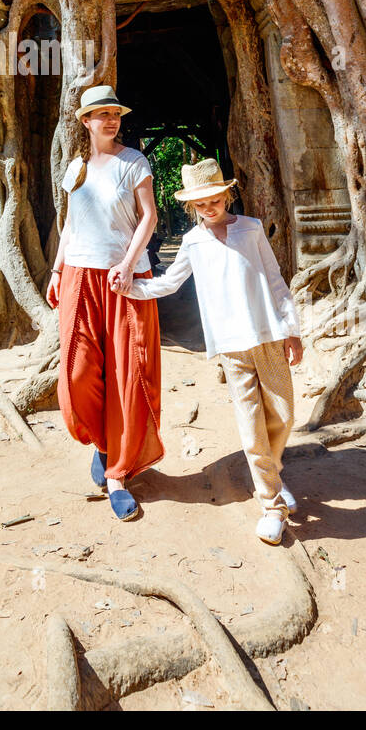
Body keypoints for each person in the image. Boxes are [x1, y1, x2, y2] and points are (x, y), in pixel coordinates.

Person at [109, 157, 303, 545]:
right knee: (251, 427)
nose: (208, 208)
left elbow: (276, 279)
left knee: (282, 415)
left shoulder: (251, 230)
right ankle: (271, 505)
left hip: (266, 336)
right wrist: (131, 287)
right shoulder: (193, 242)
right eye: (200, 204)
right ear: (191, 207)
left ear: (227, 194)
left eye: (214, 199)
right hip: (231, 347)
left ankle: (273, 479)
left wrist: (291, 330)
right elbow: (169, 283)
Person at [46, 84, 164, 522]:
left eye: (115, 113)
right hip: (78, 272)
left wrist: (130, 264)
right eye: (101, 114)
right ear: (85, 121)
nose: (110, 120)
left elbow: (149, 216)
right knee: (77, 373)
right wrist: (57, 270)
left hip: (124, 279)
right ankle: (101, 441)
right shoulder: (75, 167)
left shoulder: (133, 161)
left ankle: (117, 474)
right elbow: (70, 223)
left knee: (127, 374)